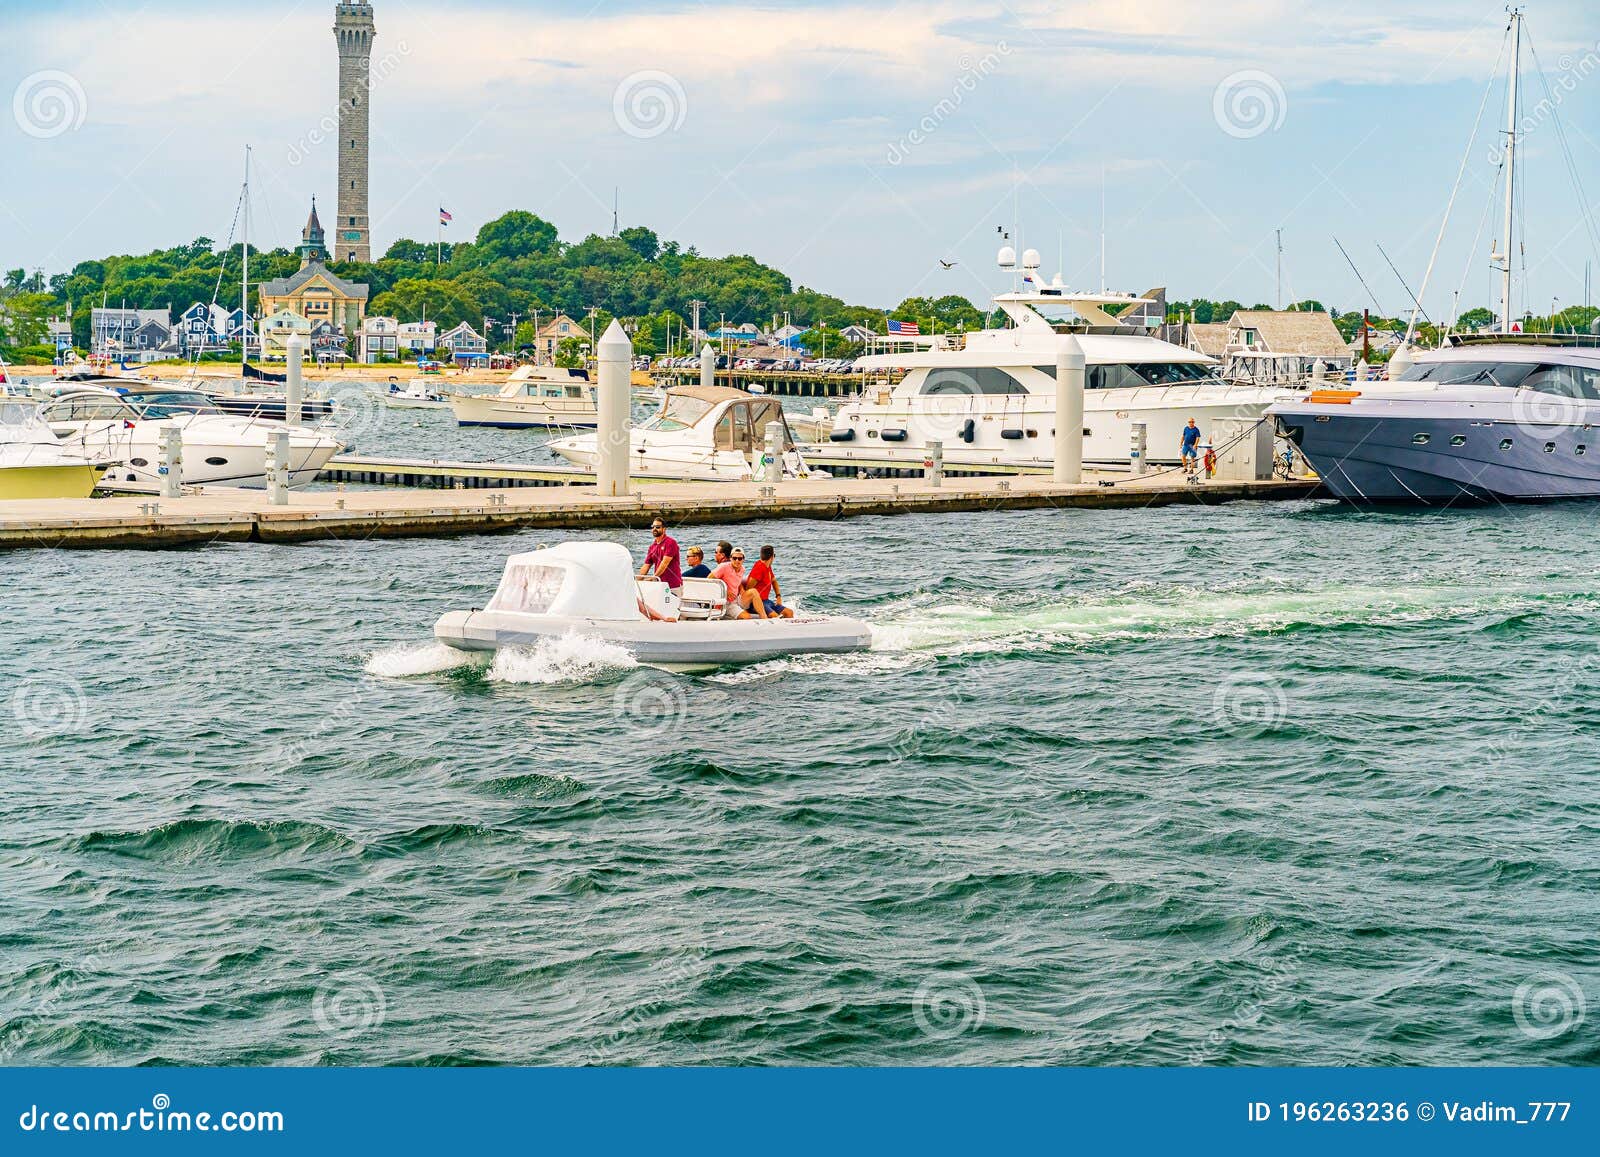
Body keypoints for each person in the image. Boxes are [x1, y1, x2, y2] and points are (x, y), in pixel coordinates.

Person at [711, 543, 766, 619]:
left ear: (743, 560)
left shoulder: (742, 569)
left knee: (753, 591)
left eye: (740, 558)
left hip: (736, 599)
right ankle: (727, 615)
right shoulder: (723, 567)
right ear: (730, 558)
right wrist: (725, 591)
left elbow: (737, 581)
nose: (737, 560)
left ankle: (764, 618)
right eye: (734, 558)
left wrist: (741, 589)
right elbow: (709, 580)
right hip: (726, 603)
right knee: (747, 617)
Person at [745, 544, 795, 619]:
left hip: (766, 601)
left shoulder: (767, 566)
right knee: (774, 616)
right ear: (772, 557)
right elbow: (748, 589)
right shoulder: (759, 568)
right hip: (757, 603)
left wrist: (778, 597)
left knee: (789, 612)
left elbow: (774, 581)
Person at [638, 517, 682, 593]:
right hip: (659, 584)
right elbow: (646, 566)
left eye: (657, 527)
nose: (654, 529)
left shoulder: (671, 543)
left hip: (673, 585)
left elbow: (664, 564)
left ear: (664, 529)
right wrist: (637, 580)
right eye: (653, 527)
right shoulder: (652, 547)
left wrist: (653, 578)